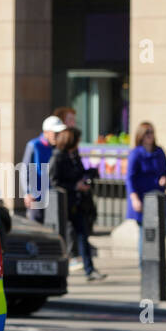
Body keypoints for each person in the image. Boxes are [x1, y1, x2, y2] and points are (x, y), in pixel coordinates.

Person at [49, 127, 105, 281]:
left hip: (77, 203)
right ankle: (58, 270)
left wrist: (90, 174)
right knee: (63, 237)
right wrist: (75, 186)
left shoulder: (74, 156)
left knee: (82, 235)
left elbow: (79, 173)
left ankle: (89, 269)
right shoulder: (58, 157)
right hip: (63, 205)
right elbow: (54, 182)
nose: (79, 143)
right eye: (77, 140)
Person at [126, 121, 166, 263]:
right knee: (145, 233)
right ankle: (144, 263)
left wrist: (165, 178)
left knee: (164, 229)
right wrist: (134, 198)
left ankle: (157, 260)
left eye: (152, 132)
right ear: (141, 135)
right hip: (142, 198)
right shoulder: (136, 154)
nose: (150, 135)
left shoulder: (159, 151)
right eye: (147, 133)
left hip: (158, 197)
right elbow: (129, 178)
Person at [20, 115, 64, 222]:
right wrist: (27, 193)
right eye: (55, 133)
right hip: (36, 195)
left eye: (59, 133)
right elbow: (24, 170)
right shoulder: (34, 145)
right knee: (36, 228)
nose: (57, 136)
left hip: (51, 194)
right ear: (46, 132)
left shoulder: (57, 148)